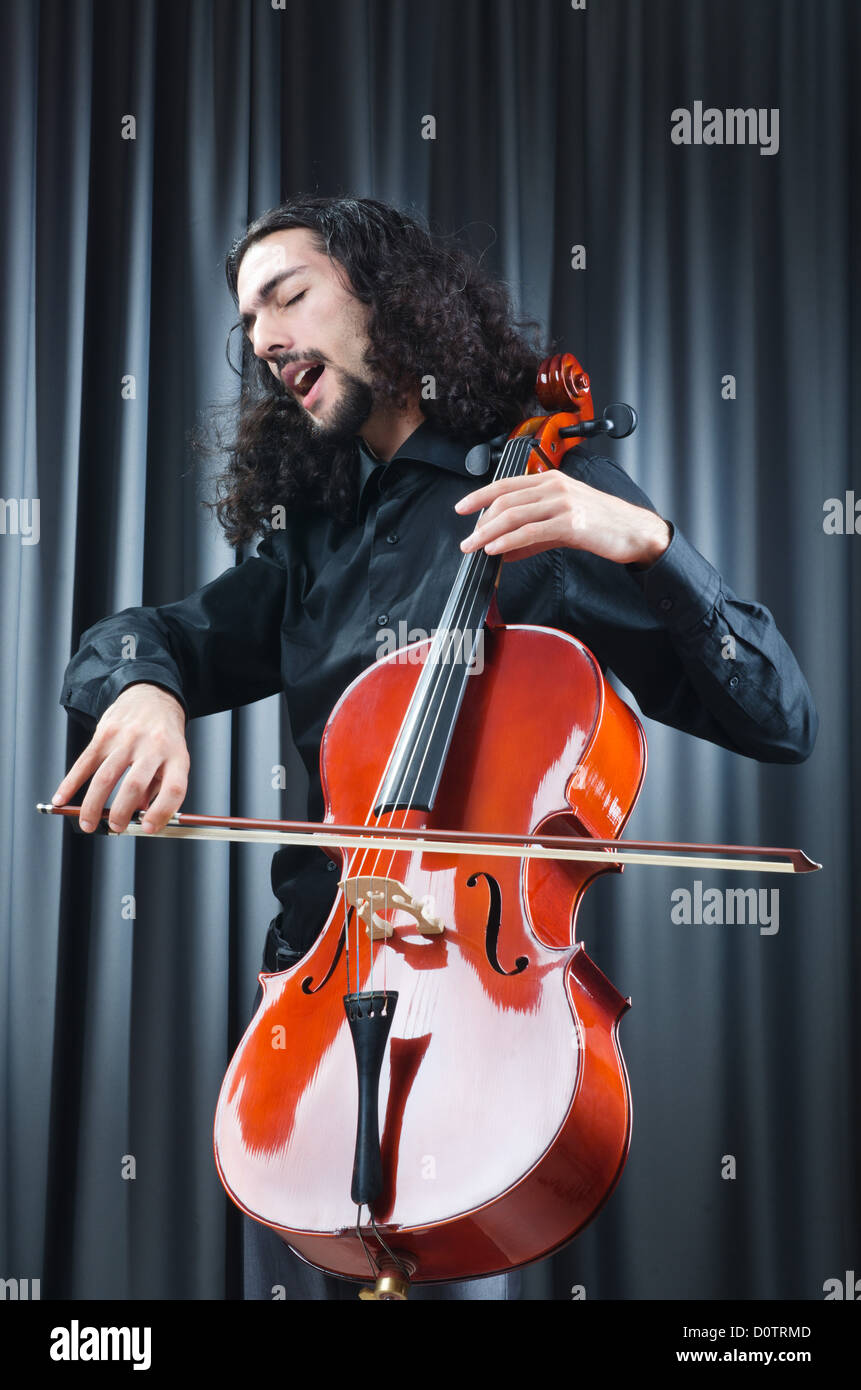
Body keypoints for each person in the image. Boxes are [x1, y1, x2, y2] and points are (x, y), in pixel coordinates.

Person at [54, 195, 818, 1301]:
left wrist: (650, 544)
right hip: (322, 984)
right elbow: (163, 634)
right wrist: (142, 689)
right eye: (248, 319)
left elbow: (780, 718)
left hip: (485, 1012)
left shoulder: (541, 494)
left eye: (288, 294)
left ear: (386, 296)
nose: (263, 337)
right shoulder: (322, 533)